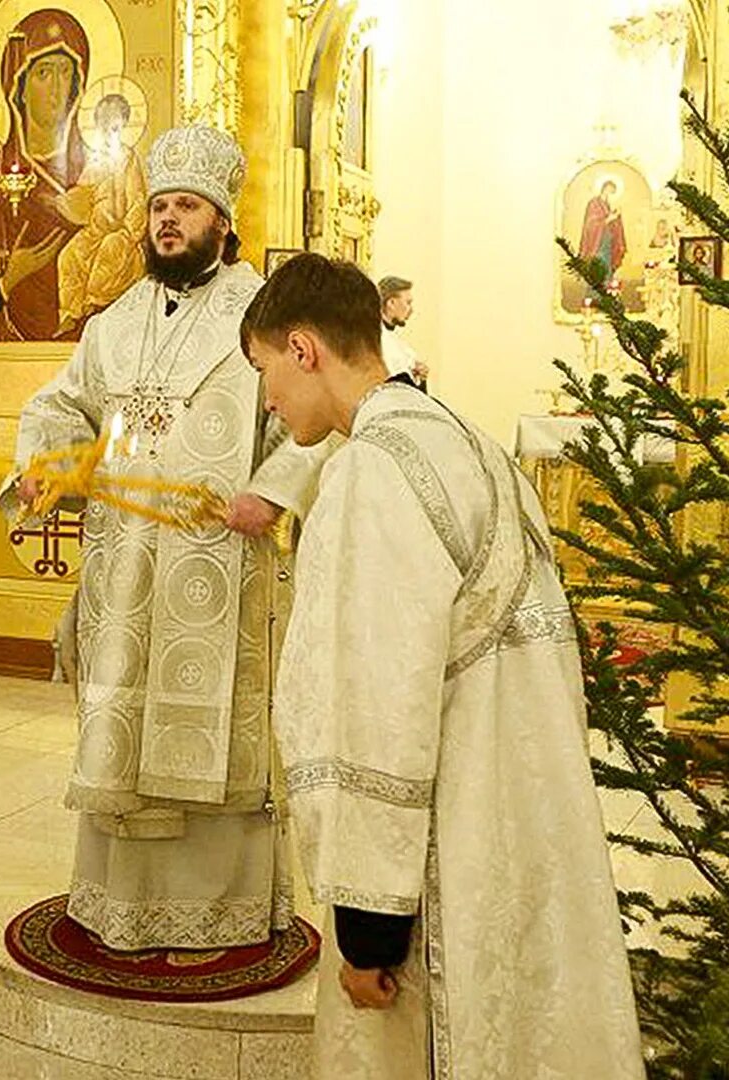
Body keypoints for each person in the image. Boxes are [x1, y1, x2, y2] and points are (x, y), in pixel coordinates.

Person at [240, 252, 644, 1077]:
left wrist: (369, 932)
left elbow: (374, 702)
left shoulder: (369, 472)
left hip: (437, 859)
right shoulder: (470, 443)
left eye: (265, 371)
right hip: (522, 817)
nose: (269, 401)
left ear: (303, 348)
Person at [0, 126, 328, 952]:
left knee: (211, 738)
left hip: (220, 572)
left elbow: (319, 418)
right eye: (158, 208)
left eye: (186, 206)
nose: (168, 220)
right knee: (124, 736)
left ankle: (220, 914)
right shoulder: (113, 321)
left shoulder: (266, 313)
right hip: (124, 572)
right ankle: (121, 905)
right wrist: (44, 465)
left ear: (222, 221)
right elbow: (61, 405)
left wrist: (271, 493)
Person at [0, 9, 92, 342]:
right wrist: (8, 280)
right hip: (9, 359)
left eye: (65, 72)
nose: (56, 87)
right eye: (44, 73)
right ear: (20, 87)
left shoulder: (97, 177)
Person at [55, 91, 149, 335]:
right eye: (103, 124)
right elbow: (83, 197)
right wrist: (66, 201)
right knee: (69, 255)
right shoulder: (95, 160)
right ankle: (70, 313)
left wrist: (130, 233)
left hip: (122, 233)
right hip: (94, 231)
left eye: (113, 124)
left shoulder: (128, 158)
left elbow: (138, 200)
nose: (108, 130)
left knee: (110, 248)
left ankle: (92, 305)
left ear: (123, 125)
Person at [376, 274, 426, 388]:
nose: (411, 310)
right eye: (408, 303)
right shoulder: (376, 337)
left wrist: (419, 375)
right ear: (391, 303)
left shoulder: (394, 337)